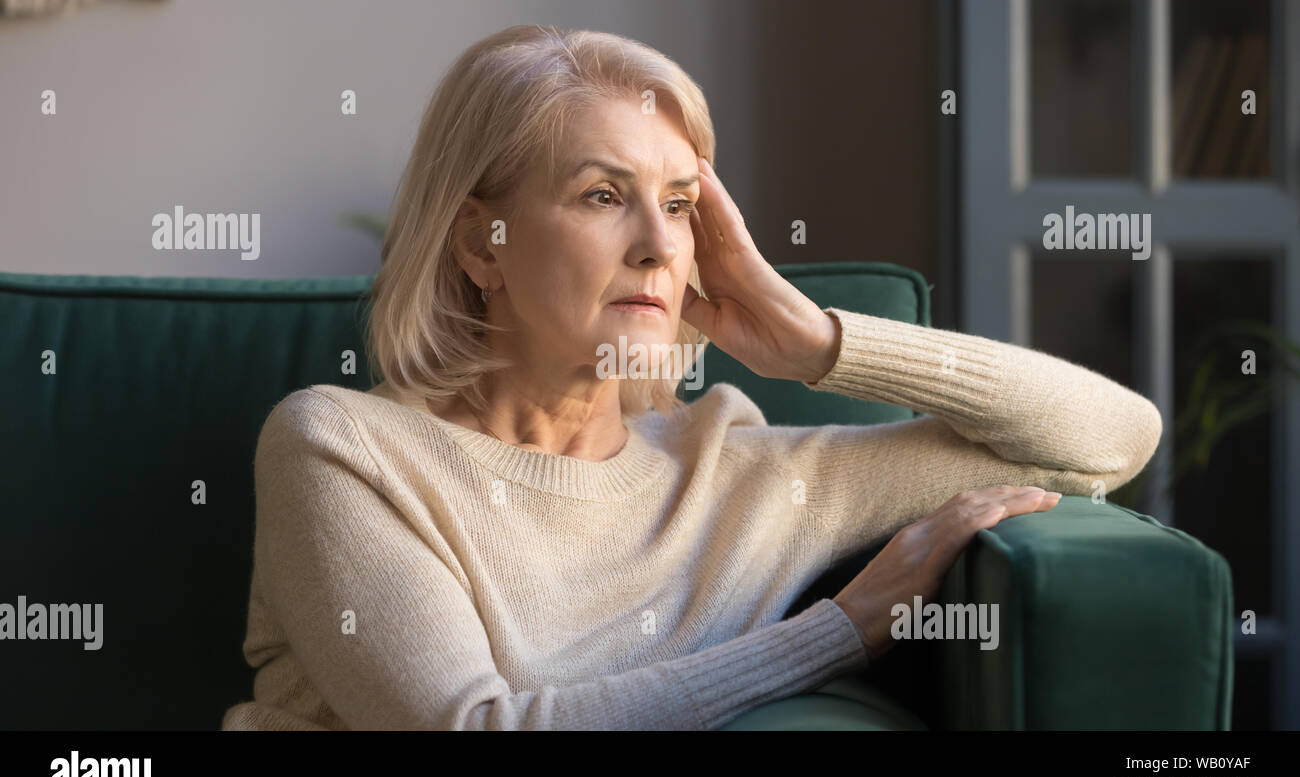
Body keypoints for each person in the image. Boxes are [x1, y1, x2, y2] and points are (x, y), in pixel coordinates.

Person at [221, 24, 1162, 731]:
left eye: (678, 203)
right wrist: (838, 631)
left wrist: (821, 343)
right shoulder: (340, 447)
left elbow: (1116, 434)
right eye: (603, 196)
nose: (661, 244)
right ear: (481, 243)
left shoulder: (735, 468)